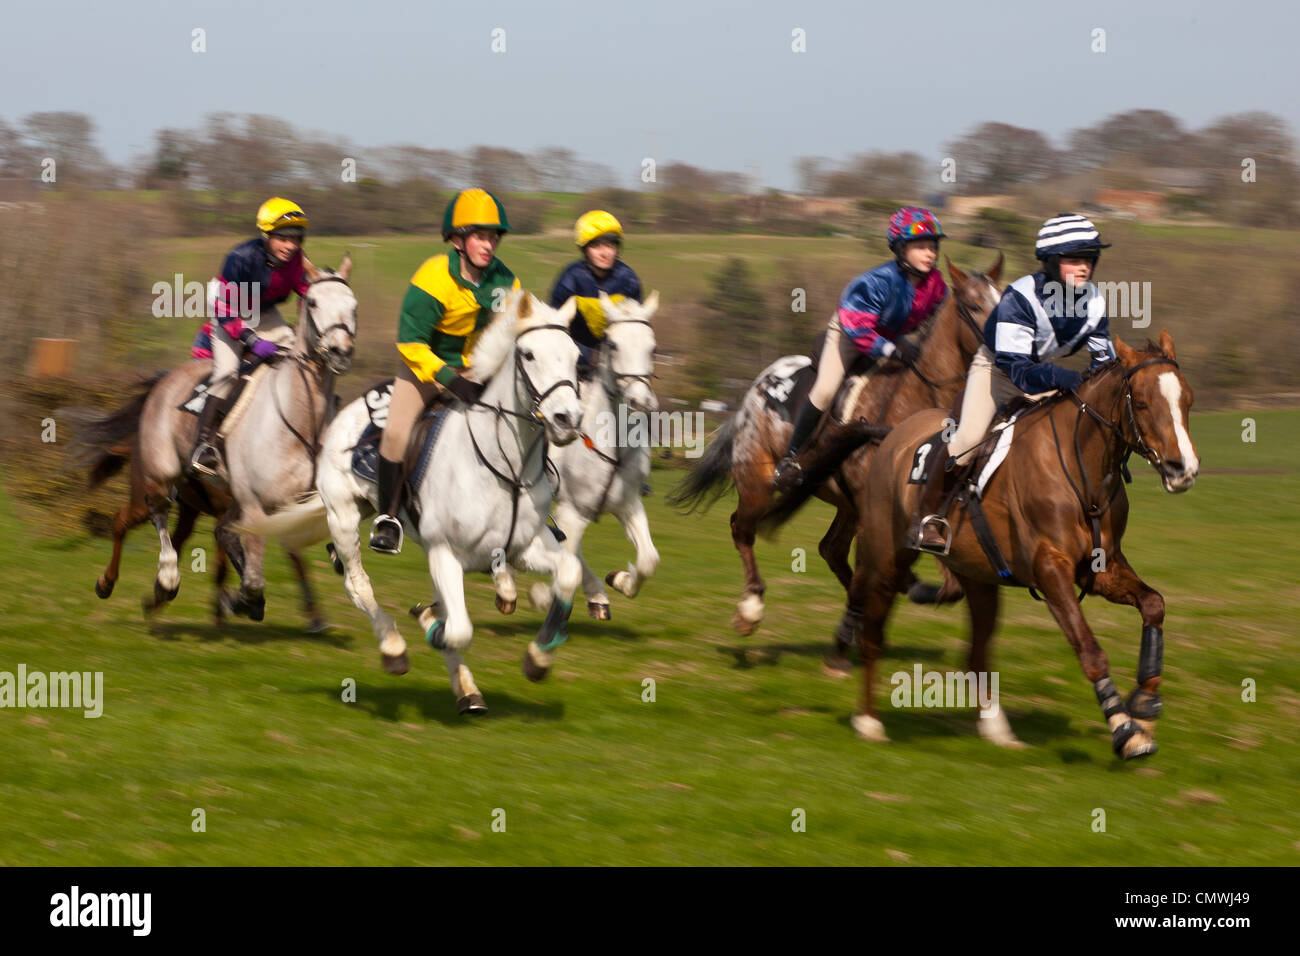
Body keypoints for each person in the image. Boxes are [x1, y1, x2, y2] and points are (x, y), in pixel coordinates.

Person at [913, 212, 1117, 553]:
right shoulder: (1021, 299)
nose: (1085, 268)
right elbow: (1017, 369)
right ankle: (928, 517)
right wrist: (1068, 378)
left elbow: (1104, 358)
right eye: (1075, 260)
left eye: (1090, 259)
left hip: (1043, 372)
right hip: (996, 372)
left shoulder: (1094, 300)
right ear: (1051, 263)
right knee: (968, 439)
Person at [369, 188, 521, 554]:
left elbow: (514, 331)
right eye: (481, 237)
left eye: (493, 237)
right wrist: (450, 379)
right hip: (425, 371)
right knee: (395, 433)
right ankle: (388, 519)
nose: (489, 245)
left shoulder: (506, 282)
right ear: (457, 239)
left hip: (476, 372)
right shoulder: (433, 277)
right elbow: (410, 343)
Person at [771, 206, 948, 491]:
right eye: (922, 247)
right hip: (850, 334)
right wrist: (891, 350)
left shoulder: (936, 284)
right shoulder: (875, 282)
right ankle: (791, 458)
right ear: (901, 248)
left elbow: (944, 317)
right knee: (827, 388)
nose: (930, 253)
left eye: (933, 247)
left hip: (892, 336)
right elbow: (859, 328)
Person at [190, 197, 311, 476]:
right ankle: (203, 444)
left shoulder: (297, 262)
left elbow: (306, 292)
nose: (291, 246)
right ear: (266, 235)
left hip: (265, 313)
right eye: (283, 239)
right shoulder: (239, 258)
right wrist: (252, 341)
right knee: (227, 373)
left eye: (296, 239)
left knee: (300, 362)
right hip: (230, 313)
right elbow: (225, 310)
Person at [549, 210, 642, 372]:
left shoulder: (629, 280)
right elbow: (554, 329)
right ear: (585, 249)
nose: (604, 253)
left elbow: (637, 331)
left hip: (617, 366)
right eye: (596, 246)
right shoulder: (570, 278)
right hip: (575, 363)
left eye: (610, 246)